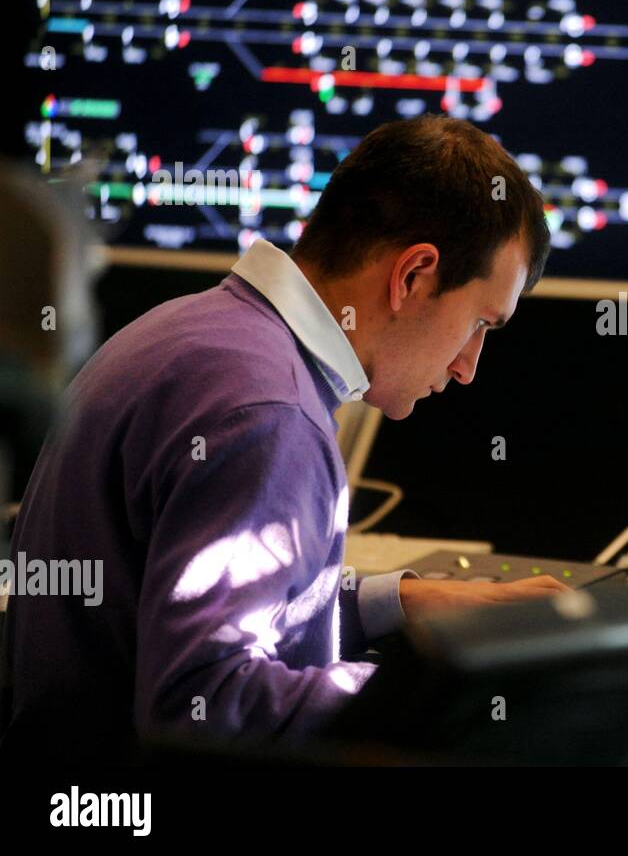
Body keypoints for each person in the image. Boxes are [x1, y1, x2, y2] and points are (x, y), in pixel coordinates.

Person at [1, 116, 568, 761]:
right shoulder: (271, 412)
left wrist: (401, 602)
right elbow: (208, 703)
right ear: (413, 275)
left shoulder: (199, 332)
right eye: (480, 324)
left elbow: (187, 616)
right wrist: (456, 690)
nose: (468, 367)